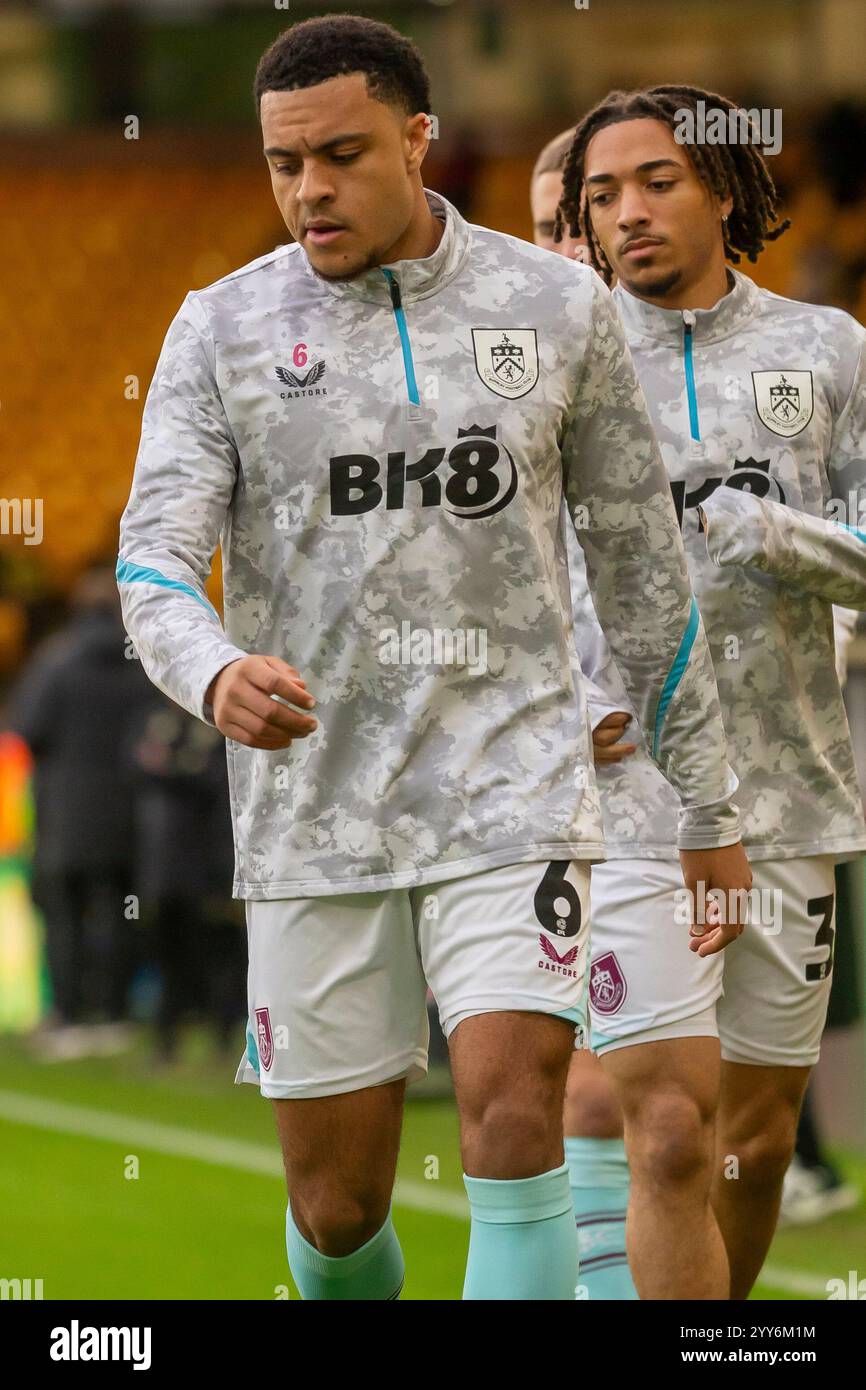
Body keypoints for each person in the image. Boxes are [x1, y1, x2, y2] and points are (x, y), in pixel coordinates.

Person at [118, 19, 749, 1302]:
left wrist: (709, 803)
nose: (307, 190)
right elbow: (154, 563)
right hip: (316, 812)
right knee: (339, 1211)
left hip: (513, 787)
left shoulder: (555, 305)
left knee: (514, 1124)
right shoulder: (221, 328)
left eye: (341, 154)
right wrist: (211, 670)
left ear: (418, 140)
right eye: (283, 162)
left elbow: (640, 574)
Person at [556, 84, 866, 1300]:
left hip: (790, 795)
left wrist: (773, 534)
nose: (623, 213)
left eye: (654, 181)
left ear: (726, 188)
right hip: (629, 803)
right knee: (672, 1133)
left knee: (756, 1142)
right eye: (597, 196)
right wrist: (567, 701)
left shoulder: (829, 351)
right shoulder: (555, 363)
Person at [9, 563, 154, 1042]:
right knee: (120, 911)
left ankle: (69, 1016)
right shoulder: (143, 662)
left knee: (64, 916)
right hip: (126, 814)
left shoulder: (56, 660)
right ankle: (113, 1014)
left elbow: (25, 731)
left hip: (65, 814)